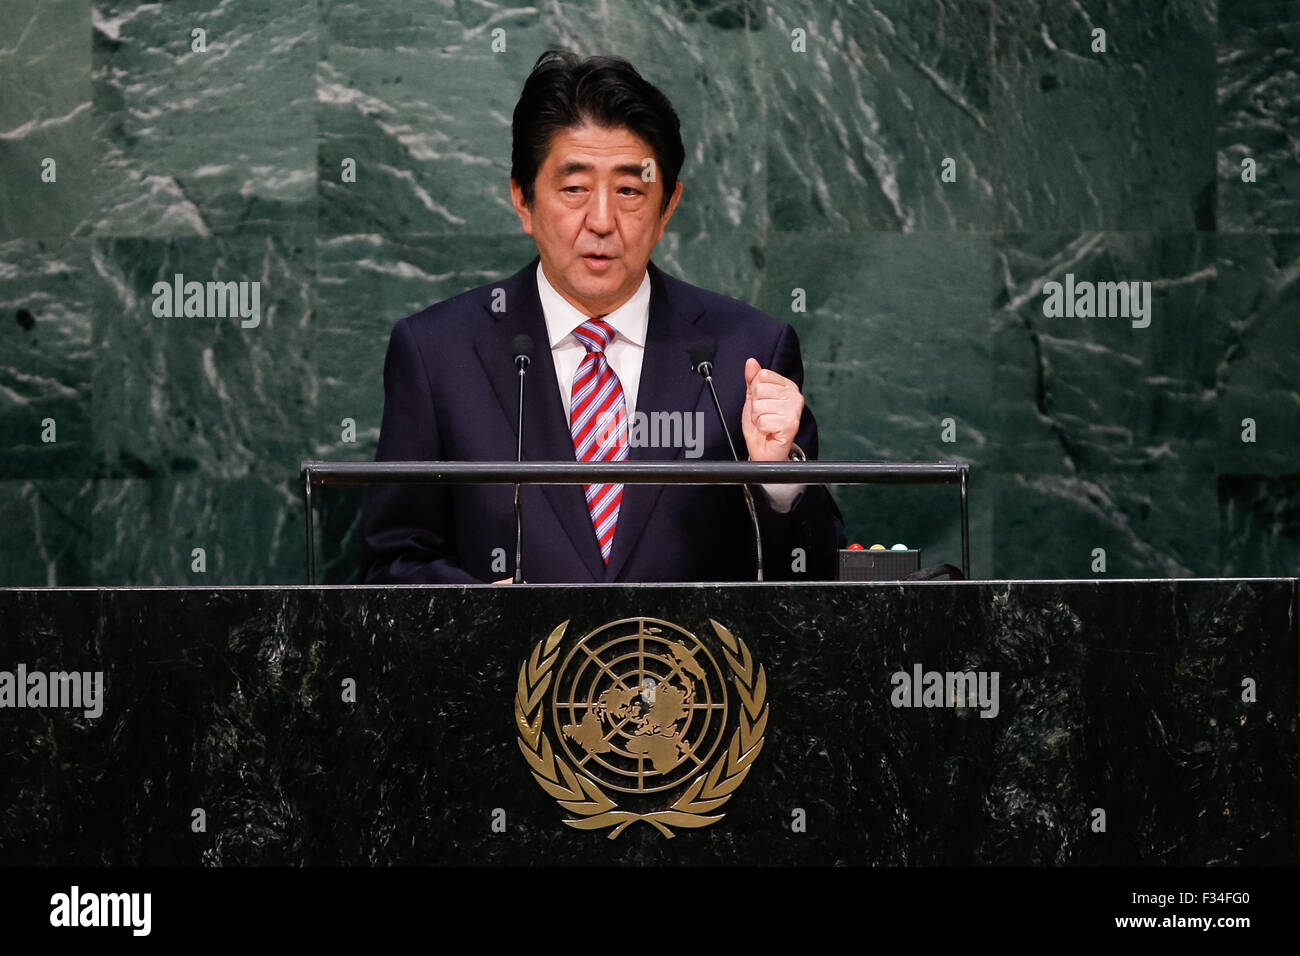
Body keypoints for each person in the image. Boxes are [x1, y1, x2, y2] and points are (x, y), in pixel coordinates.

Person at [361, 50, 843, 584]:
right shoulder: (437, 353)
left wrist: (777, 481)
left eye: (630, 191)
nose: (602, 220)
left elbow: (818, 578)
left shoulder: (746, 351)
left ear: (668, 207)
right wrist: (480, 622)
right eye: (574, 189)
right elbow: (391, 565)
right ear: (523, 200)